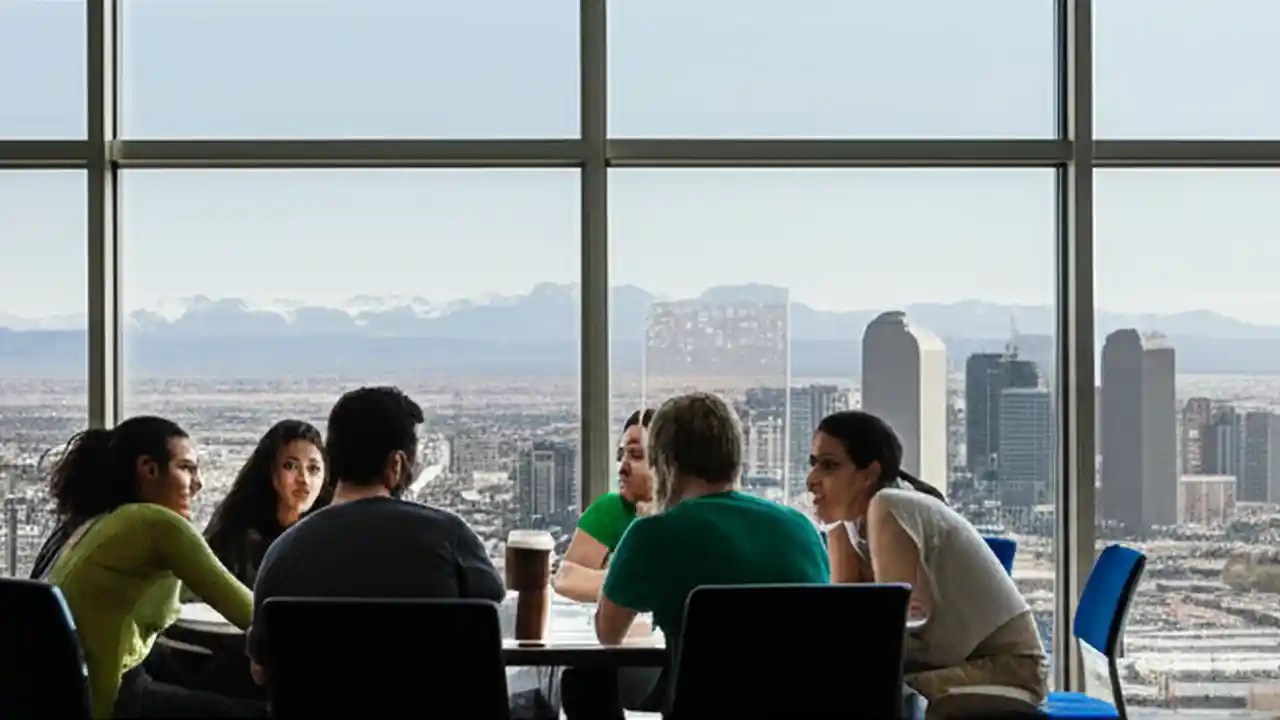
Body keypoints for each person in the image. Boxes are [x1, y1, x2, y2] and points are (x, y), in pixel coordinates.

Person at [247, 386, 505, 686]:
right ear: (396, 464)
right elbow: (494, 617)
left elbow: (262, 671)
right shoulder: (450, 536)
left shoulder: (284, 551)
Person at [589, 392, 829, 714]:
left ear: (664, 462)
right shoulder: (802, 529)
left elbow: (608, 634)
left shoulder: (655, 533)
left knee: (583, 681)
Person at [805, 410, 1047, 707]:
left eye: (829, 466)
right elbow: (846, 627)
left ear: (869, 474)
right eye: (813, 464)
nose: (811, 480)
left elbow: (895, 628)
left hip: (1007, 671)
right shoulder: (849, 524)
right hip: (953, 666)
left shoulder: (889, 504)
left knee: (868, 691)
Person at [40, 416, 259, 718]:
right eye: (186, 468)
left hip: (67, 695)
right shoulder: (158, 524)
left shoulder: (98, 522)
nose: (198, 484)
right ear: (149, 469)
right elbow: (250, 613)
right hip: (113, 697)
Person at [203, 419, 329, 587]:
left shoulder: (330, 532)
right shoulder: (237, 533)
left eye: (313, 469)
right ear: (271, 471)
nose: (304, 479)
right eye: (290, 466)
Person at [552, 408, 654, 603]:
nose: (622, 467)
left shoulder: (688, 514)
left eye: (637, 455)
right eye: (621, 455)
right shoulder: (610, 510)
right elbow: (566, 580)